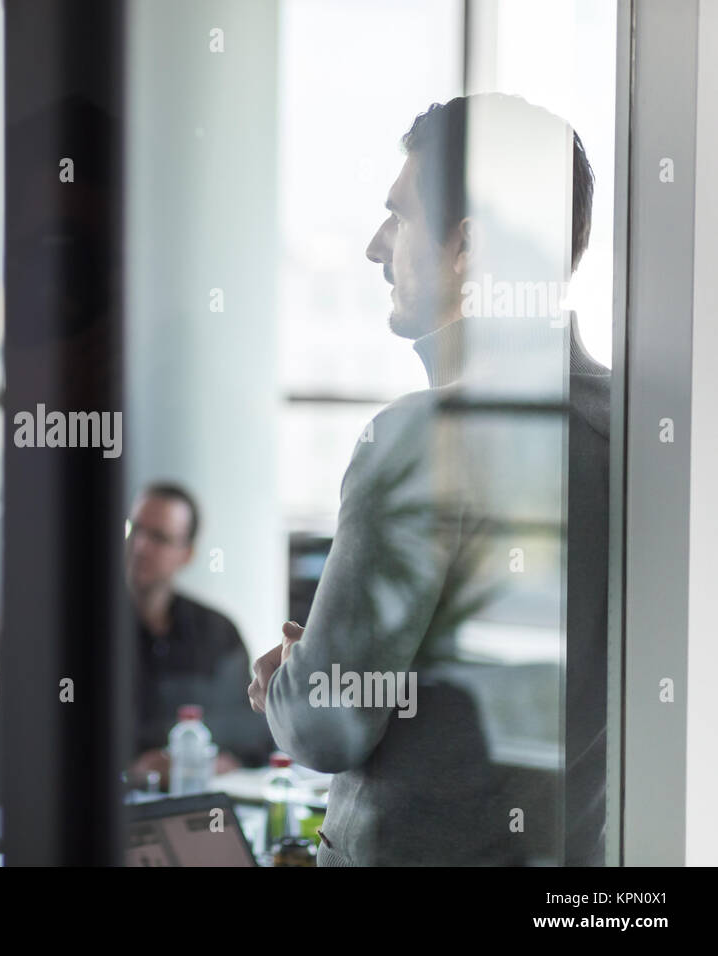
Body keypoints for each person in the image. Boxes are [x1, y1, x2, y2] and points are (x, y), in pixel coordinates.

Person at [249, 94, 609, 866]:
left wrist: (287, 680)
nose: (377, 247)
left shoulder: (418, 438)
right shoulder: (632, 430)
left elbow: (325, 726)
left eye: (400, 217)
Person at [127, 482, 272, 787]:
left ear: (187, 553)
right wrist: (135, 769)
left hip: (201, 802)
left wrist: (204, 759)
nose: (140, 546)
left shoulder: (218, 632)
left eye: (159, 537)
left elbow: (254, 727)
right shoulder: (88, 630)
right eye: (135, 530)